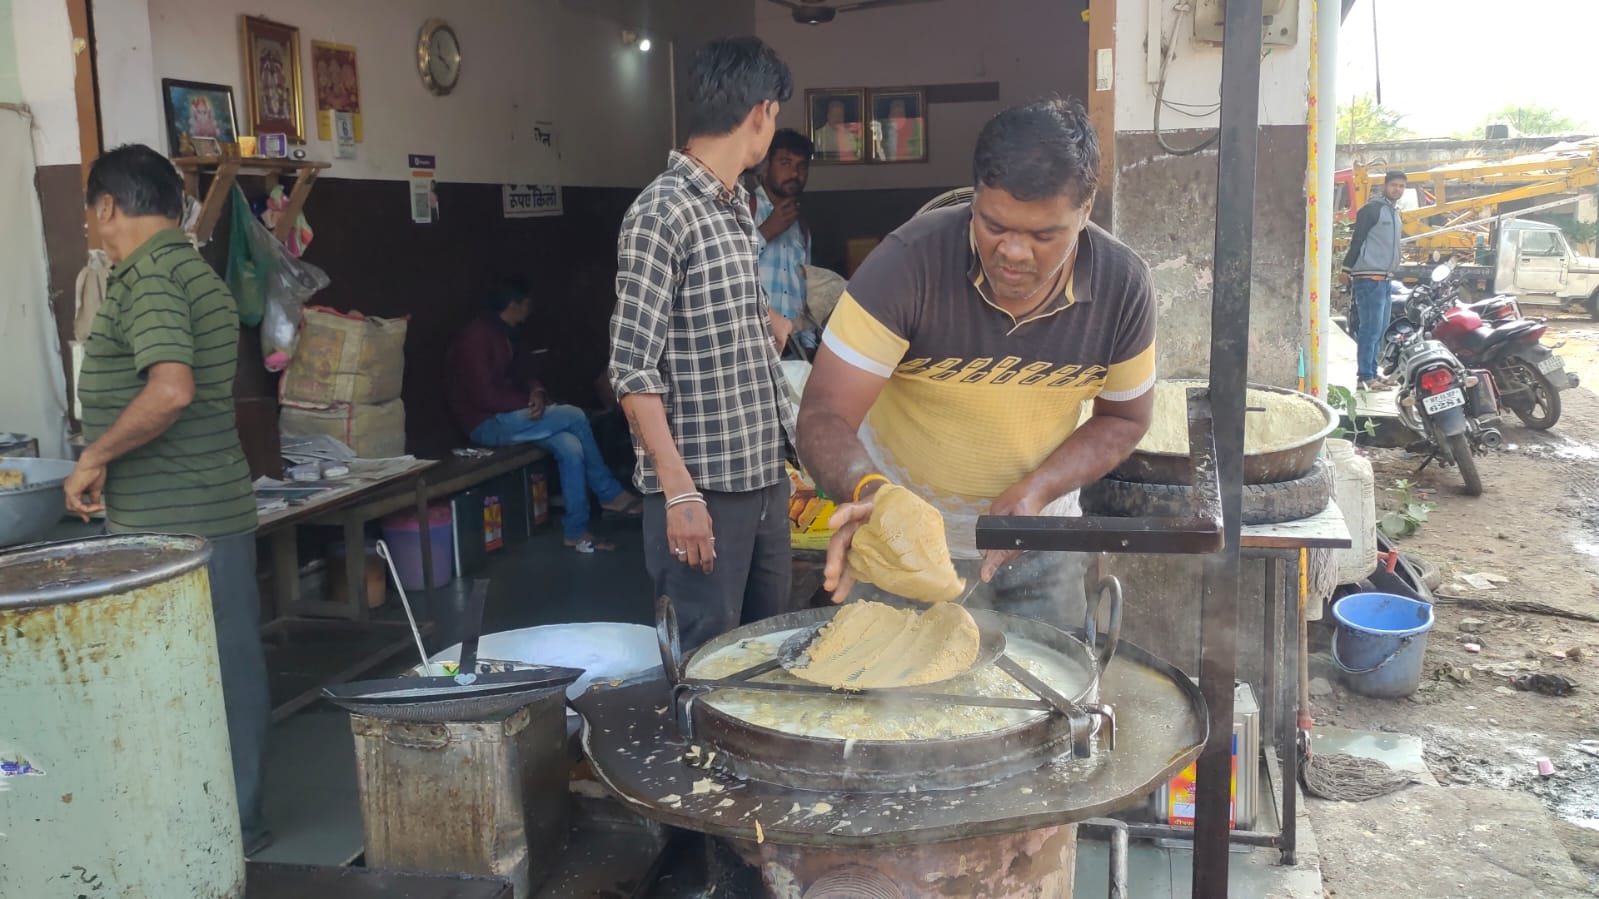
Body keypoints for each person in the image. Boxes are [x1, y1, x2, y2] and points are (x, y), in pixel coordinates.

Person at [795, 98, 1156, 631]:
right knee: (882, 706)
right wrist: (870, 494)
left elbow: (1125, 417)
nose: (1012, 251)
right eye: (993, 225)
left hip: (1039, 548)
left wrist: (1037, 490)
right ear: (975, 200)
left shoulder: (1121, 286)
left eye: (1043, 235)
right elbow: (822, 414)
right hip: (897, 551)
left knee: (1041, 702)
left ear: (1085, 210)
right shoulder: (906, 264)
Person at [66, 144, 271, 853]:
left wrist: (93, 454)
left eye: (92, 214)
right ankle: (229, 816)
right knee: (227, 667)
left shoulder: (148, 277)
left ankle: (215, 825)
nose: (92, 228)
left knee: (190, 676)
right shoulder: (189, 268)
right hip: (204, 507)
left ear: (107, 207)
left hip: (175, 521)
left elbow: (171, 389)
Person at [609, 36, 797, 650]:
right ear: (761, 113)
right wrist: (679, 491)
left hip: (763, 473)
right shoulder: (661, 212)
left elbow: (708, 316)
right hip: (705, 487)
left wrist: (765, 321)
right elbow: (633, 369)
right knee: (705, 659)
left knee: (769, 651)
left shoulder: (736, 205)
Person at [448, 278, 641, 553]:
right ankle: (609, 493)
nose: (530, 309)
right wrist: (526, 402)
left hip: (516, 416)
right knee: (574, 416)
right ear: (514, 305)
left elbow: (526, 374)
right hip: (487, 423)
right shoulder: (475, 338)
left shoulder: (508, 333)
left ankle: (576, 531)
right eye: (527, 304)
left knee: (571, 446)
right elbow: (484, 397)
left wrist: (536, 390)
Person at [749, 128, 816, 356]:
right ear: (767, 164)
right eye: (785, 163)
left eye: (802, 166)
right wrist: (766, 231)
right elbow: (724, 269)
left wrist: (808, 345)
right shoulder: (743, 210)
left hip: (794, 351)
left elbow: (804, 291)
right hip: (752, 347)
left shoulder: (802, 227)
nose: (795, 173)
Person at [1342, 170, 1408, 391]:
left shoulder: (1394, 212)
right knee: (1369, 329)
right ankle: (1364, 377)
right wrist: (1346, 268)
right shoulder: (1372, 210)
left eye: (1401, 186)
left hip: (1385, 279)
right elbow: (1357, 239)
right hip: (1369, 278)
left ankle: (1371, 371)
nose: (1397, 189)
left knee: (1379, 329)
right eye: (1394, 185)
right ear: (1385, 185)